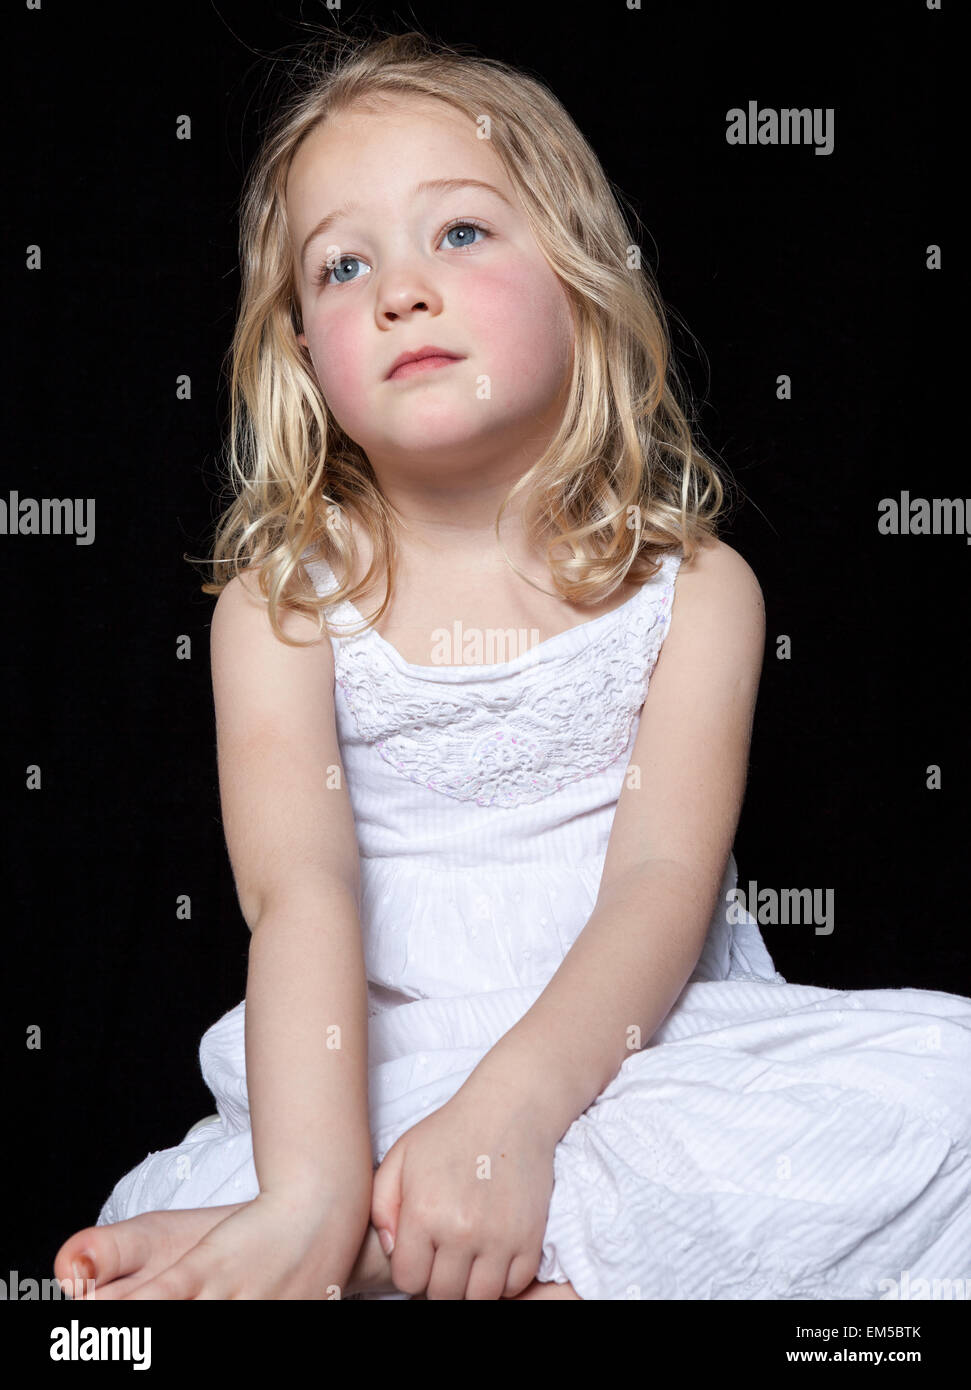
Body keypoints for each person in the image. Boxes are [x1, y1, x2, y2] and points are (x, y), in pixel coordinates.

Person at [54, 29, 971, 1302]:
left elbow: (659, 889)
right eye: (341, 263)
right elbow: (300, 895)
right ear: (302, 358)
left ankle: (420, 1260)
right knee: (171, 1242)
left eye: (463, 234)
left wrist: (512, 1125)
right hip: (369, 1070)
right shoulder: (282, 610)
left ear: (583, 277)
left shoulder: (695, 593)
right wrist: (312, 1193)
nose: (399, 290)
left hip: (630, 1055)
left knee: (945, 1101)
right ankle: (366, 1237)